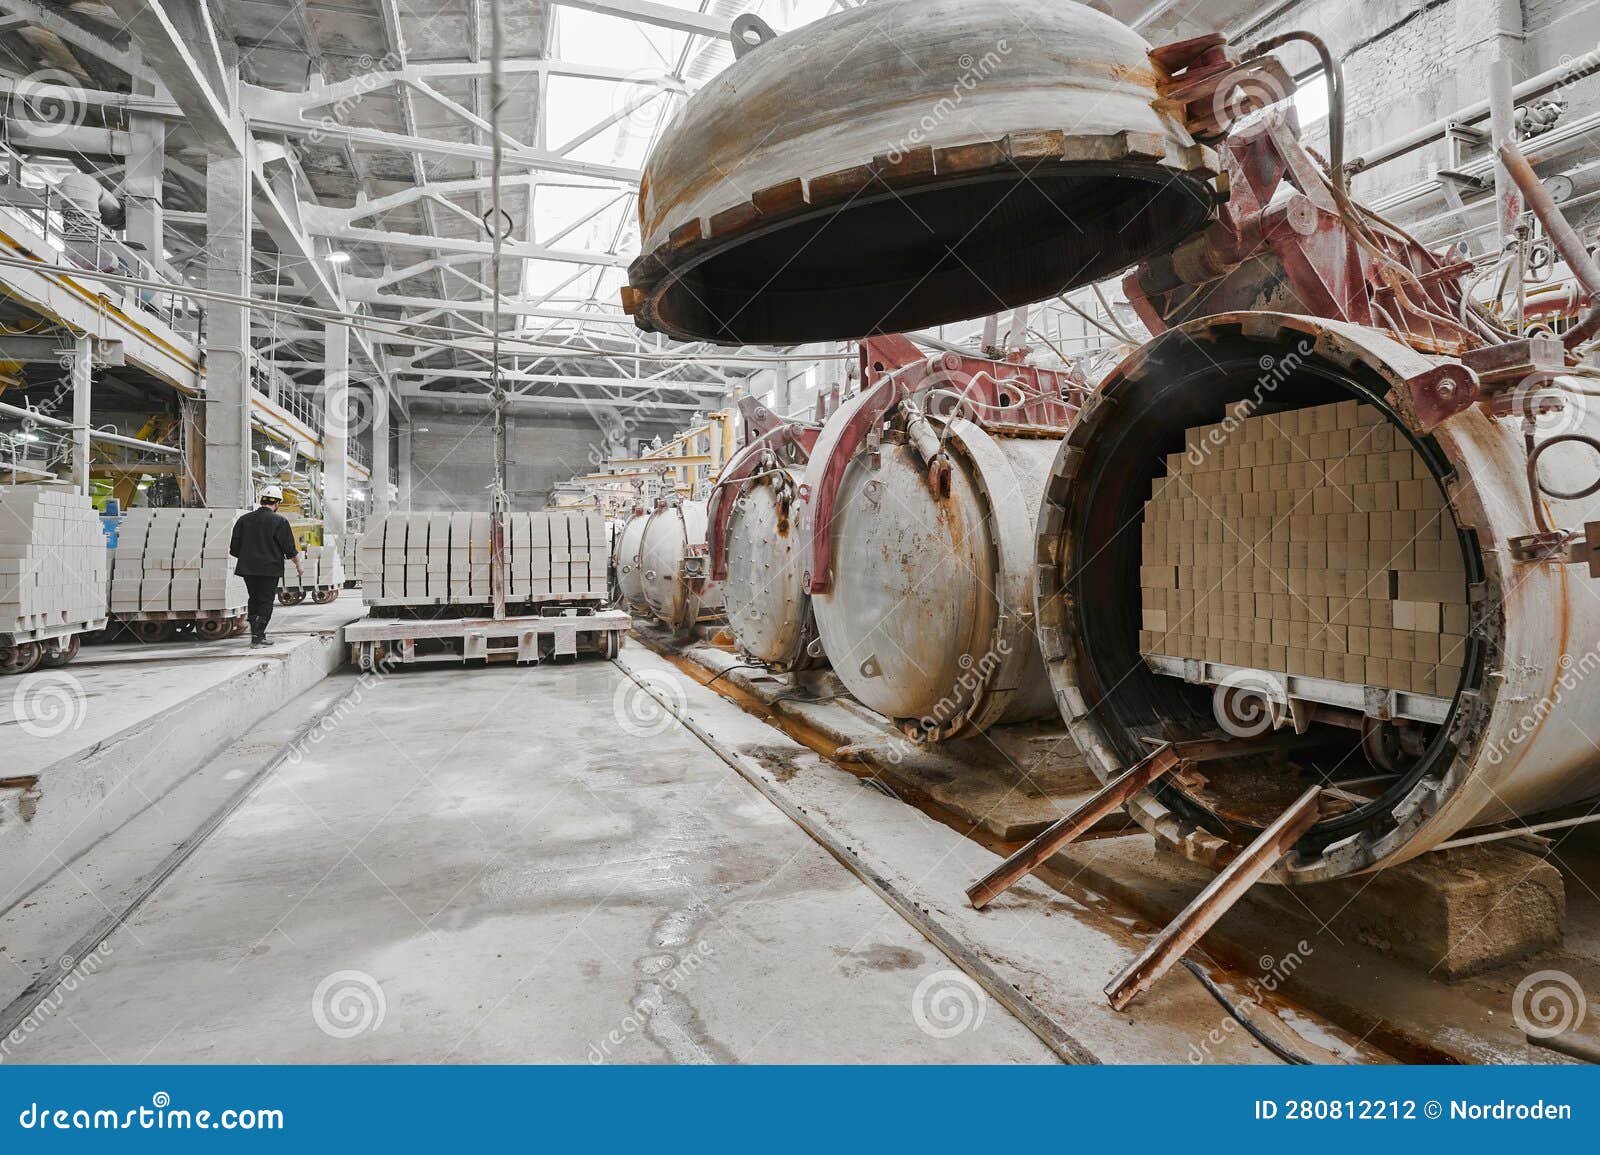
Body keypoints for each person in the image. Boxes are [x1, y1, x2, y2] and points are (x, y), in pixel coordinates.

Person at [230, 485, 302, 646]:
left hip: (248, 569)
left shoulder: (244, 520)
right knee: (266, 601)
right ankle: (258, 635)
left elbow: (234, 548)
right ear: (277, 503)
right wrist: (298, 565)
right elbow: (289, 548)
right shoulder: (280, 521)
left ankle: (255, 633)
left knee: (253, 598)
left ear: (261, 500)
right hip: (270, 569)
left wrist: (248, 558)